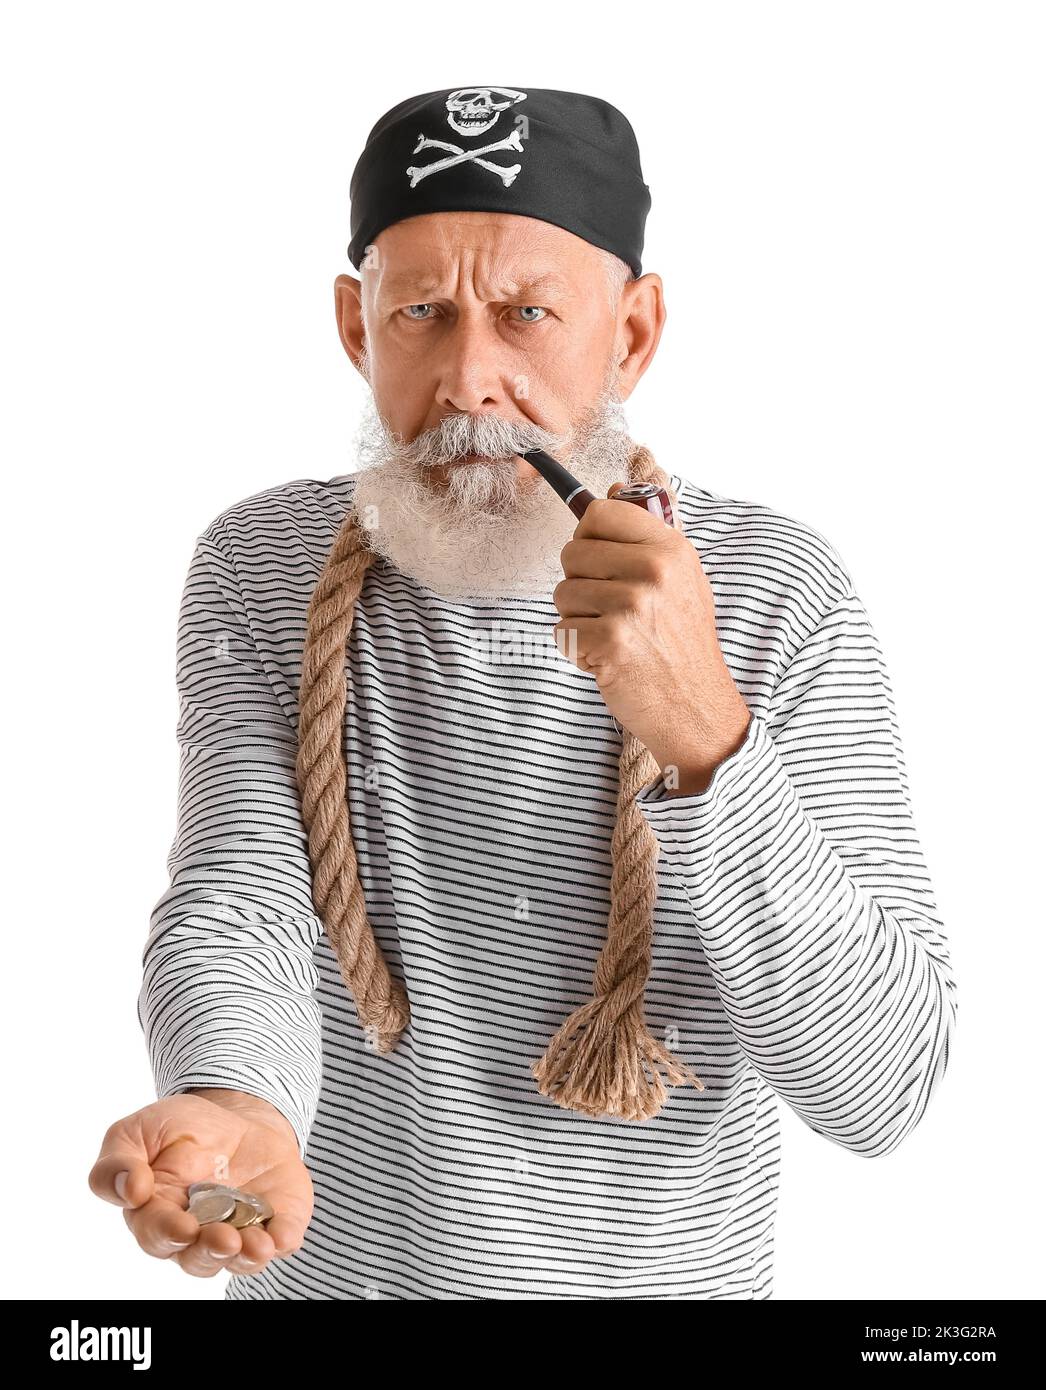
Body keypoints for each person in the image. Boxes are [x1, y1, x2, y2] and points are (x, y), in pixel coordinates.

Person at [88, 85, 957, 1300]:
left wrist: (705, 728)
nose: (468, 381)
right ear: (355, 324)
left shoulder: (772, 588)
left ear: (633, 333)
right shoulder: (261, 564)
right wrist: (233, 1097)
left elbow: (883, 1088)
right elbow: (245, 902)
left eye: (526, 314)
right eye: (423, 313)